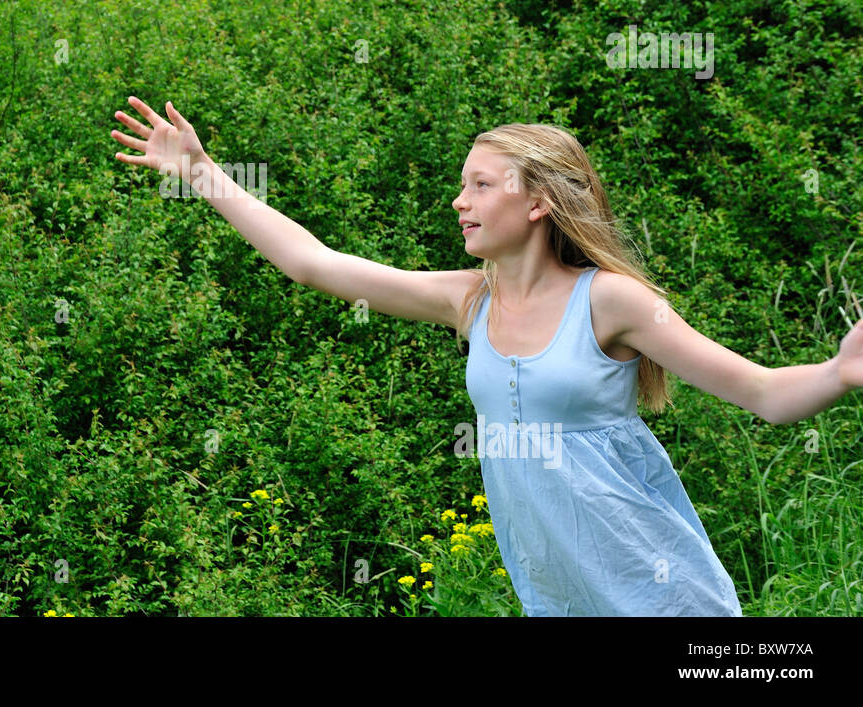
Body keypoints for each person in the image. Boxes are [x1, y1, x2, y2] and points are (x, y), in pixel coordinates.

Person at [110, 98, 863, 616]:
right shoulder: (467, 299)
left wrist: (840, 372)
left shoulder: (613, 301)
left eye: (478, 184)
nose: (458, 201)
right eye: (460, 184)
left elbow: (763, 392)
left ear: (538, 201)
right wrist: (204, 176)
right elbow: (315, 263)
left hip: (659, 592)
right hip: (558, 597)